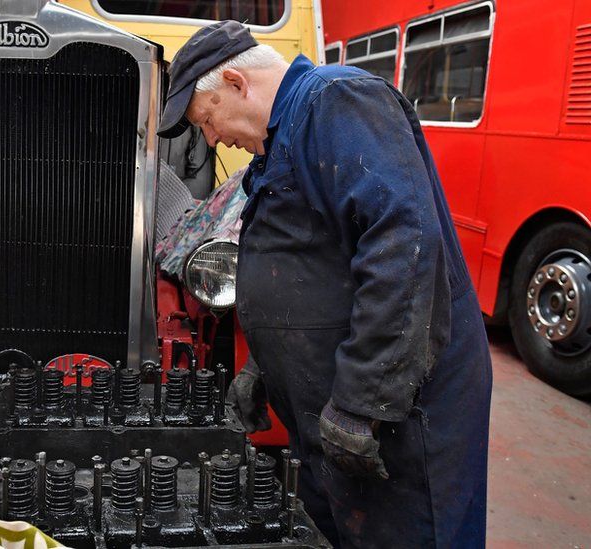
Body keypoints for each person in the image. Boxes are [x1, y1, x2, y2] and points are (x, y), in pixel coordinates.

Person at [157, 21, 493, 548]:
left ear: (238, 84)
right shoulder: (285, 137)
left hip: (398, 421)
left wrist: (363, 402)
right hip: (331, 414)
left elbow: (402, 249)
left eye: (208, 118)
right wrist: (262, 368)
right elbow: (308, 271)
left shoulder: (337, 101)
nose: (213, 137)